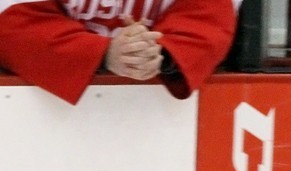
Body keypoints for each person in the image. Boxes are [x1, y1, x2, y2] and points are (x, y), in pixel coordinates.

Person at [0, 0, 240, 104]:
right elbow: (12, 24)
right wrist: (102, 53)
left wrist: (162, 55)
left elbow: (211, 21)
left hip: (150, 125)